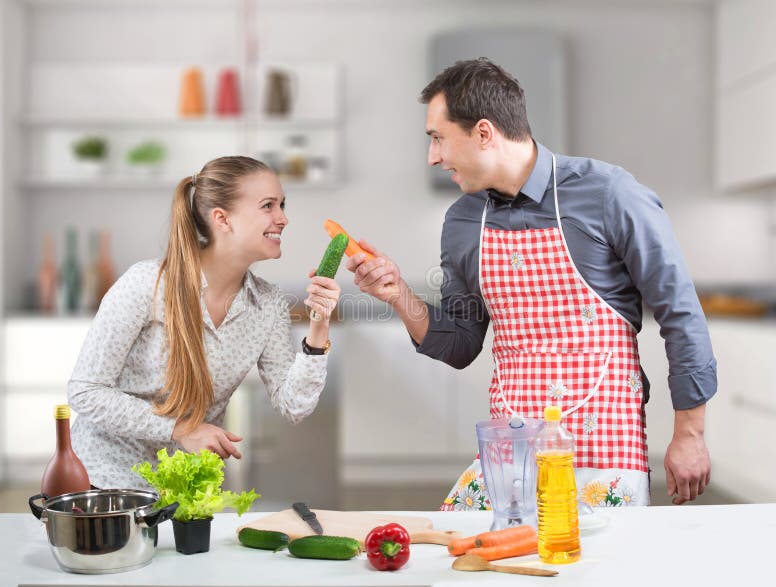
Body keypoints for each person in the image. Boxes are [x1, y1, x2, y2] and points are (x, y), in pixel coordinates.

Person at [348, 58, 715, 508]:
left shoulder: (608, 194)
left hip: (603, 454)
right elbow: (460, 345)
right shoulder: (464, 219)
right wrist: (397, 294)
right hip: (509, 459)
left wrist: (690, 433)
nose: (433, 156)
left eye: (438, 138)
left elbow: (680, 312)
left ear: (484, 133)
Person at [68, 156, 340, 490]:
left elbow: (293, 405)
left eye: (282, 205)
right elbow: (86, 391)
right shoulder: (147, 284)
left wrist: (318, 328)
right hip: (107, 478)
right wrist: (181, 429)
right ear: (222, 219)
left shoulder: (267, 305)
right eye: (268, 206)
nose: (283, 218)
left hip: (187, 486)